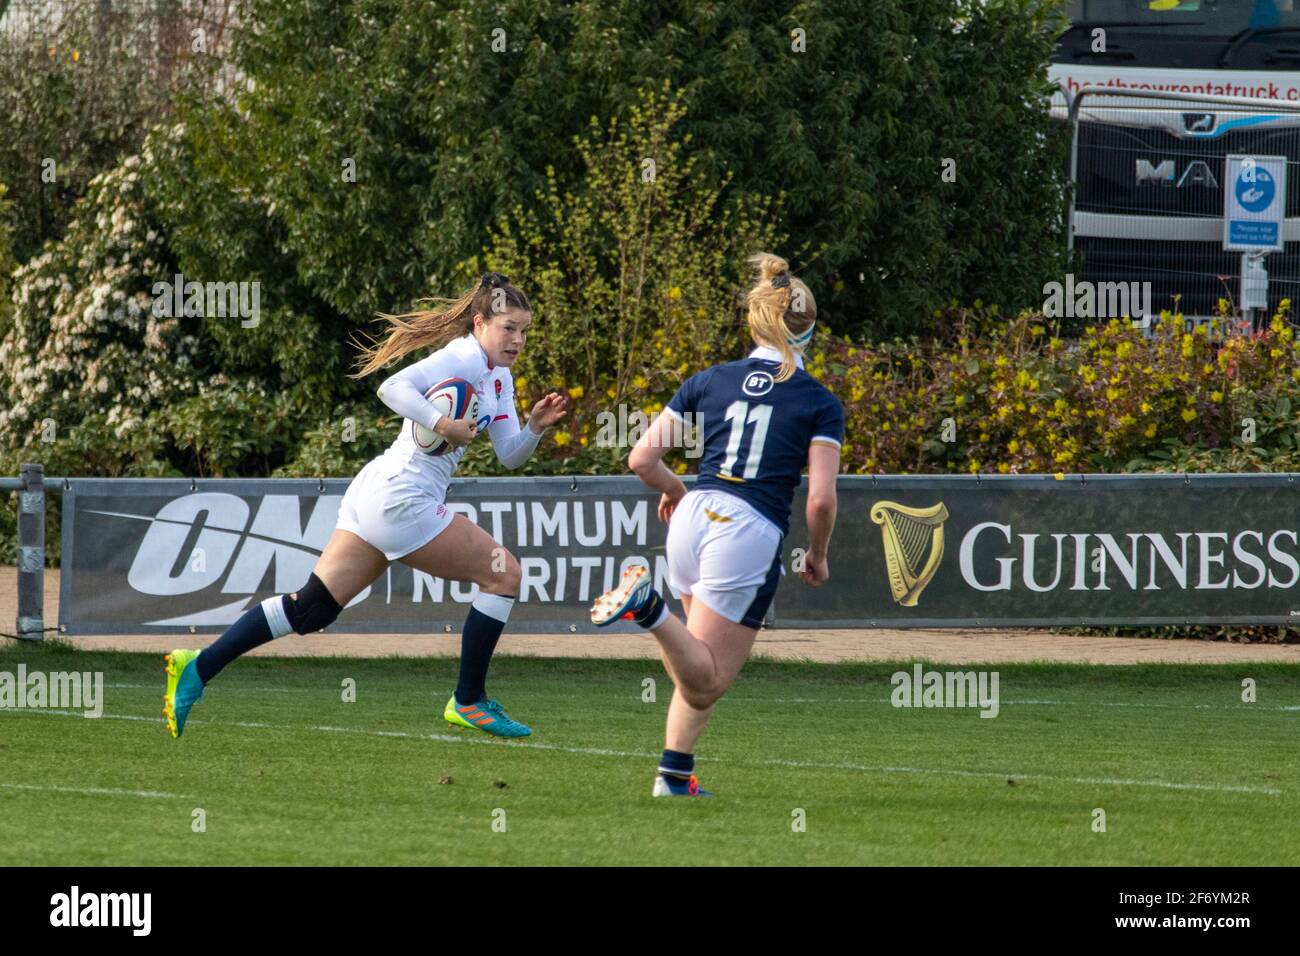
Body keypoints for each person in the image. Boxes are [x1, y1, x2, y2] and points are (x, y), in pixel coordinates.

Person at [163, 272, 568, 739]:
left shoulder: (498, 378)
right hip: (402, 498)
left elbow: (509, 455)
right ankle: (469, 700)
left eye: (525, 331)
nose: (518, 340)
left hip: (378, 493)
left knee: (311, 610)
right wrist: (443, 423)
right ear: (479, 323)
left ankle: (197, 667)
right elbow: (391, 388)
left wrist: (535, 427)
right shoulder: (462, 357)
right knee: (505, 573)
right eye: (509, 328)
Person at [589, 253, 843, 796]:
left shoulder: (710, 381)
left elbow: (640, 459)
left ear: (754, 323)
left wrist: (676, 492)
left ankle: (674, 778)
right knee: (706, 682)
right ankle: (647, 606)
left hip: (693, 516)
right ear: (809, 329)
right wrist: (817, 554)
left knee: (696, 660)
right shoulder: (819, 401)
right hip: (747, 529)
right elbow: (820, 501)